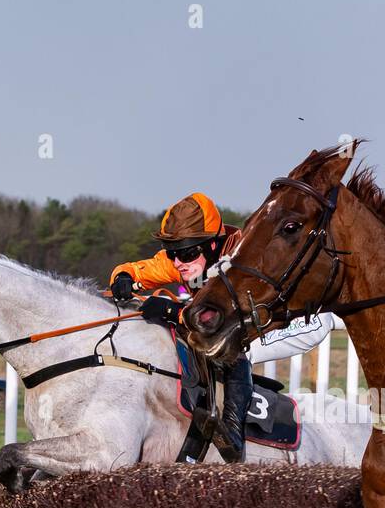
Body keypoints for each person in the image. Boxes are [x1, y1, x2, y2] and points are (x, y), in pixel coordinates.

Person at [108, 192, 331, 461]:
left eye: (188, 253)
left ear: (214, 245)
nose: (178, 262)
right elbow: (140, 269)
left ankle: (233, 435)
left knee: (228, 344)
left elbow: (219, 319)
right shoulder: (184, 259)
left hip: (304, 323)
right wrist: (122, 277)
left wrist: (171, 310)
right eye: (174, 252)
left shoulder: (238, 258)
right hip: (248, 318)